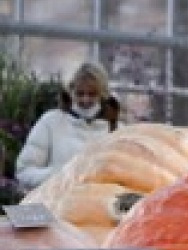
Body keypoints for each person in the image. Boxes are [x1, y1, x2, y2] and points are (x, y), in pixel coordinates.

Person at [15, 61, 121, 190]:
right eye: (80, 93)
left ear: (103, 95)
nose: (85, 100)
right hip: (51, 205)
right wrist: (60, 176)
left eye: (92, 94)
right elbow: (24, 172)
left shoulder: (118, 132)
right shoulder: (51, 122)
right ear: (71, 93)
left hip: (97, 207)